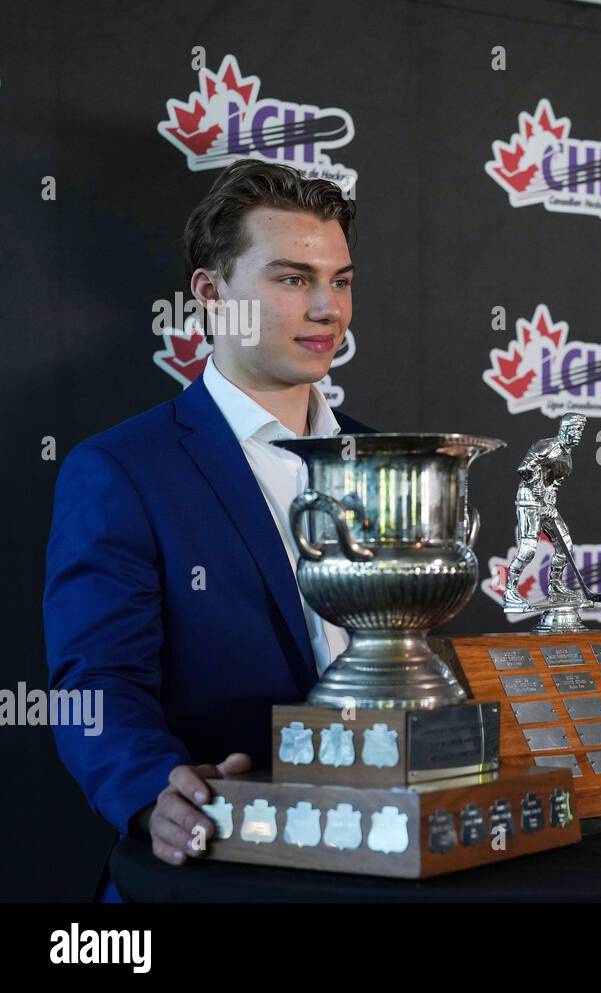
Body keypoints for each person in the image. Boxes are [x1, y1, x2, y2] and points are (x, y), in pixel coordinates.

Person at [43, 161, 372, 896]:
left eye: (341, 280)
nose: (328, 309)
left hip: (376, 863)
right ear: (211, 293)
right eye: (291, 279)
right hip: (219, 869)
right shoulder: (121, 469)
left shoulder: (379, 458)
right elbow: (95, 683)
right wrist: (156, 788)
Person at [503, 413, 588, 608]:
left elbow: (555, 485)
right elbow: (525, 469)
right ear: (565, 429)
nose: (578, 435)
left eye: (581, 431)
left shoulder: (567, 457)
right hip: (528, 500)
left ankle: (556, 585)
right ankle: (510, 591)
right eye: (576, 430)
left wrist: (549, 500)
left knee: (565, 546)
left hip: (546, 505)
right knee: (528, 550)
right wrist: (536, 484)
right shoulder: (547, 446)